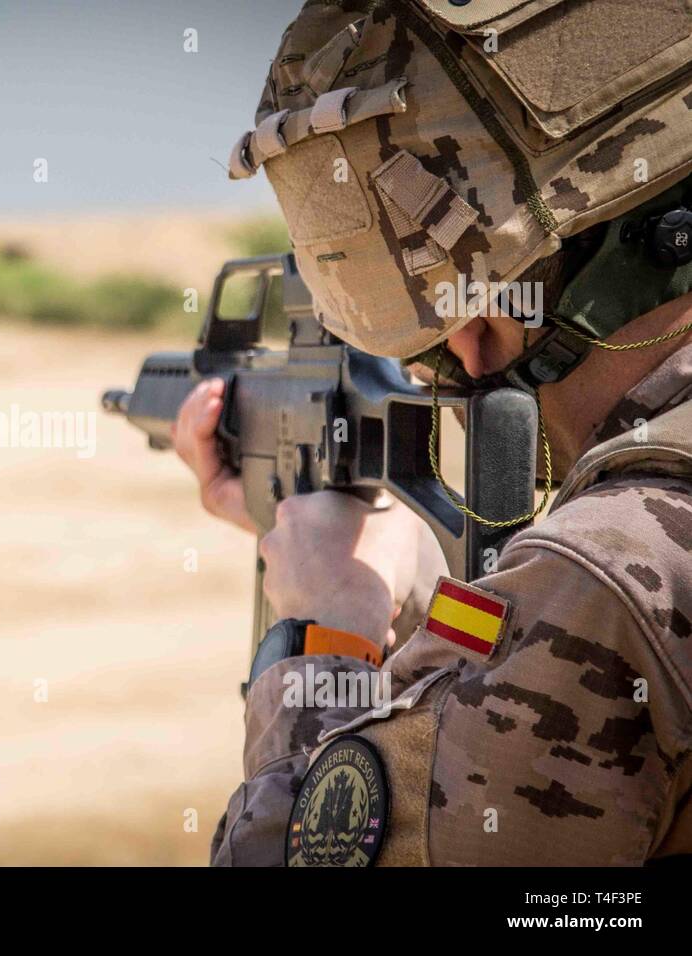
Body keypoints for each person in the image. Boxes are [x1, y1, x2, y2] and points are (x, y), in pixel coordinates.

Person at [183, 0, 692, 865]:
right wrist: (450, 608)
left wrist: (325, 629)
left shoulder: (608, 579)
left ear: (478, 323)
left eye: (430, 347)